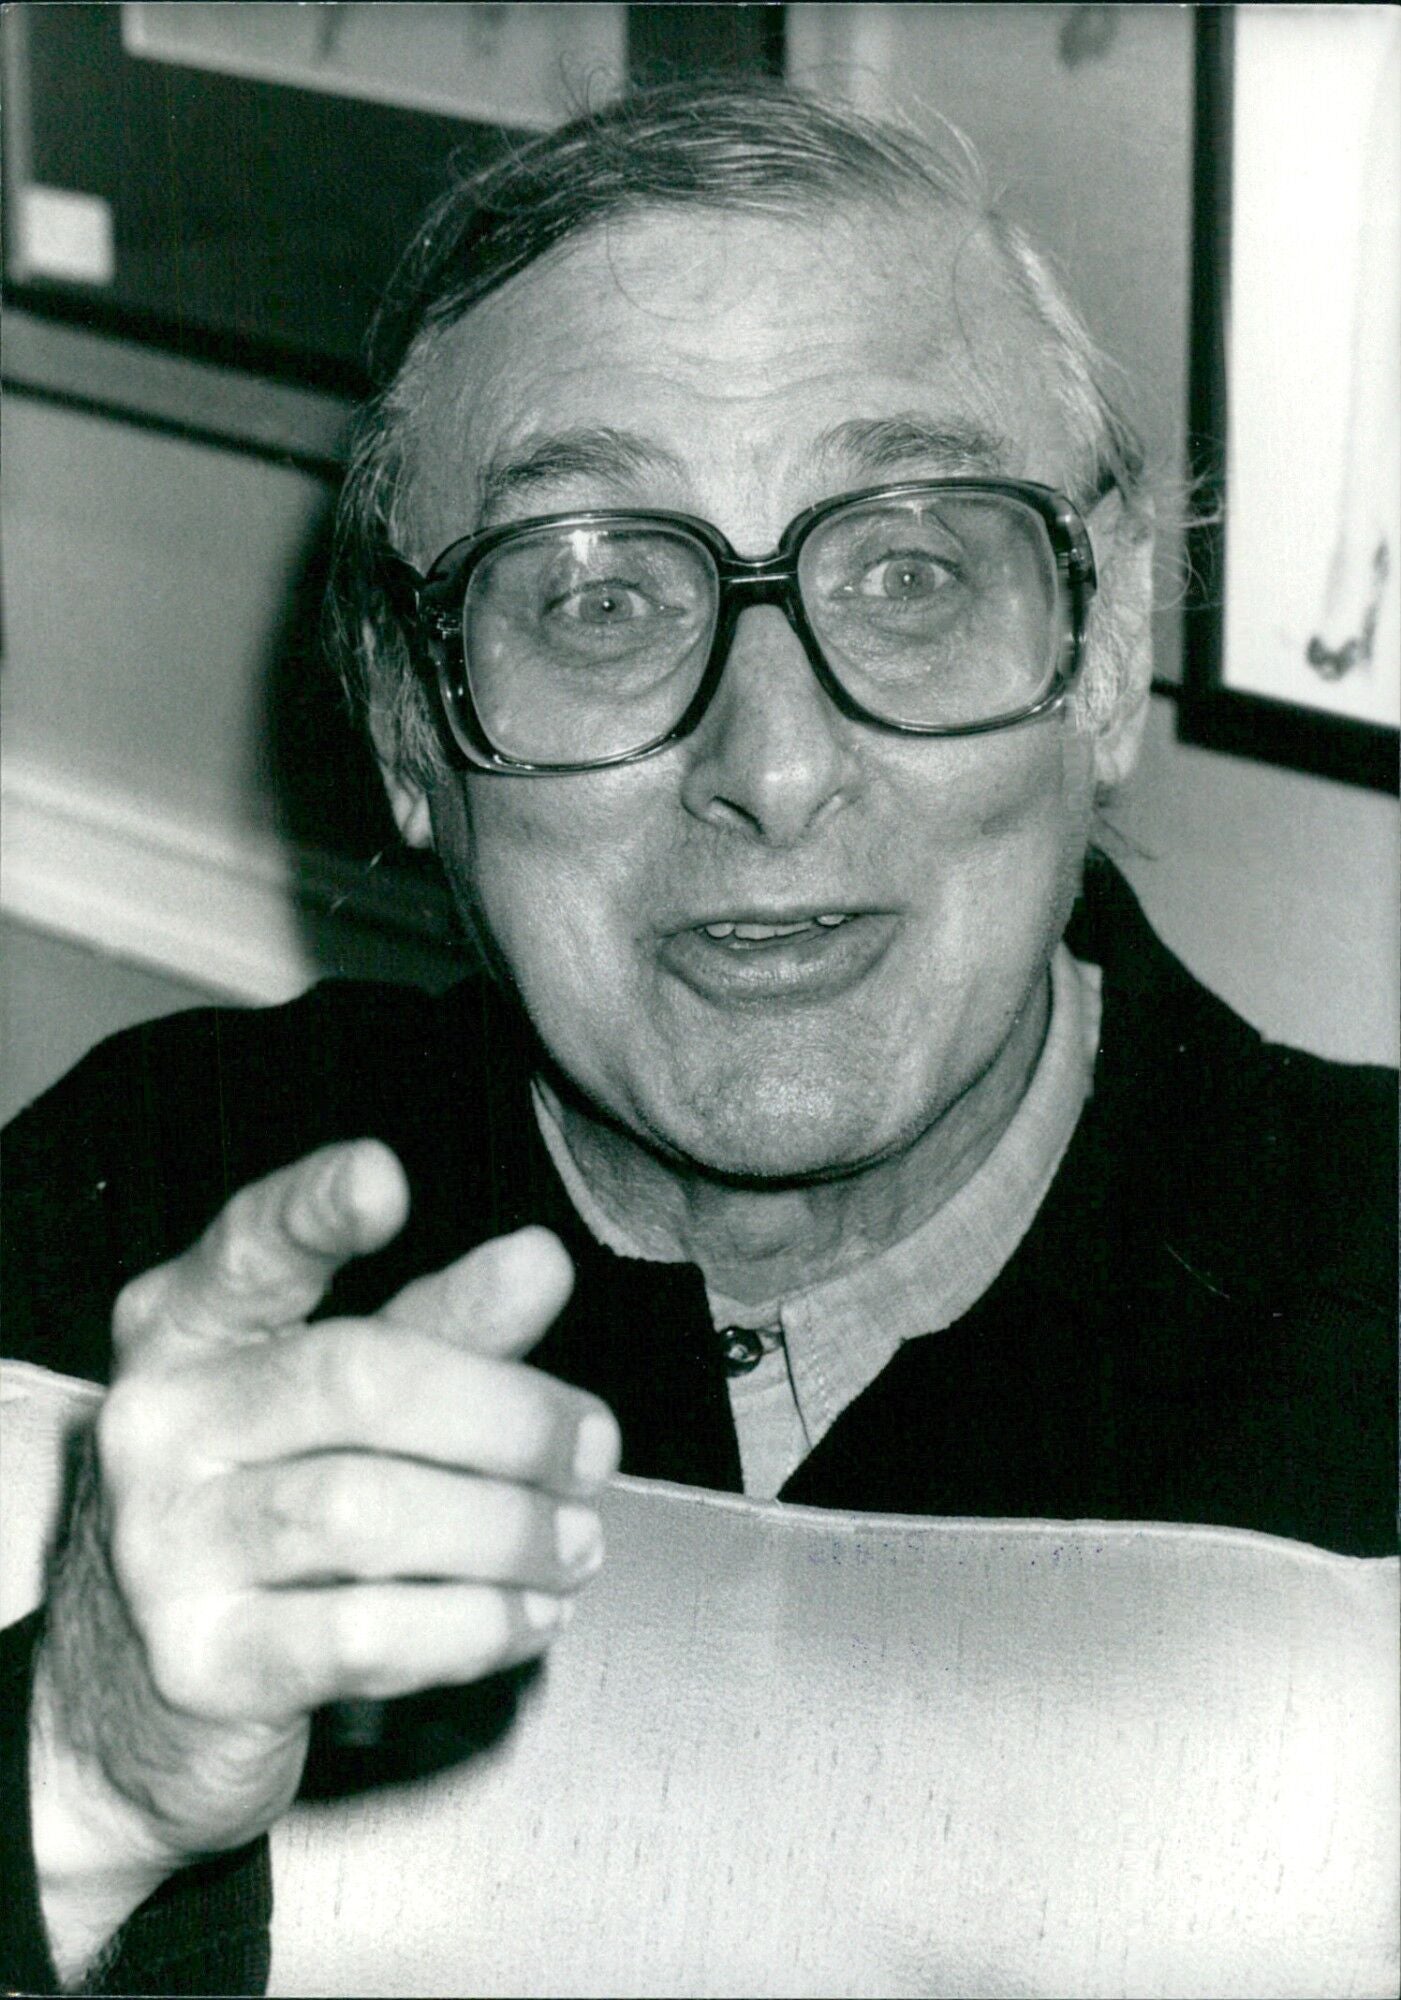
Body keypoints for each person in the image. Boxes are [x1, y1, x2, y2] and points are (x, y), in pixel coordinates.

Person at [1, 81, 1394, 1996]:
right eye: (594, 596)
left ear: (1107, 646)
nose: (774, 768)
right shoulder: (139, 1225)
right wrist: (72, 1775)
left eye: (908, 571)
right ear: (411, 730)